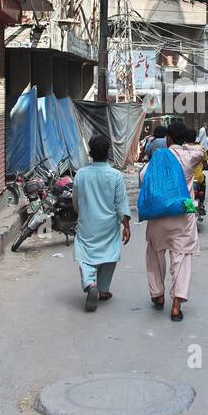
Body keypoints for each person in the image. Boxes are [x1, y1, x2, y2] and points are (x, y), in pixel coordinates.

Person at [142, 120, 201, 321]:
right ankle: (176, 305)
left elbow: (143, 178)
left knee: (154, 254)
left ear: (167, 138)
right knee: (181, 257)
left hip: (158, 213)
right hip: (183, 212)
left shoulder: (158, 157)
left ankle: (158, 295)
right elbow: (200, 152)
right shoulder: (190, 157)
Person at [72, 133, 131, 312]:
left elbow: (76, 200)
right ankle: (103, 290)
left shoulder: (81, 175)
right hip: (109, 225)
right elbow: (121, 203)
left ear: (91, 153)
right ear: (108, 153)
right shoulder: (115, 176)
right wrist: (126, 225)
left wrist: (79, 212)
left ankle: (90, 284)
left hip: (87, 223)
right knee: (109, 254)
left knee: (85, 255)